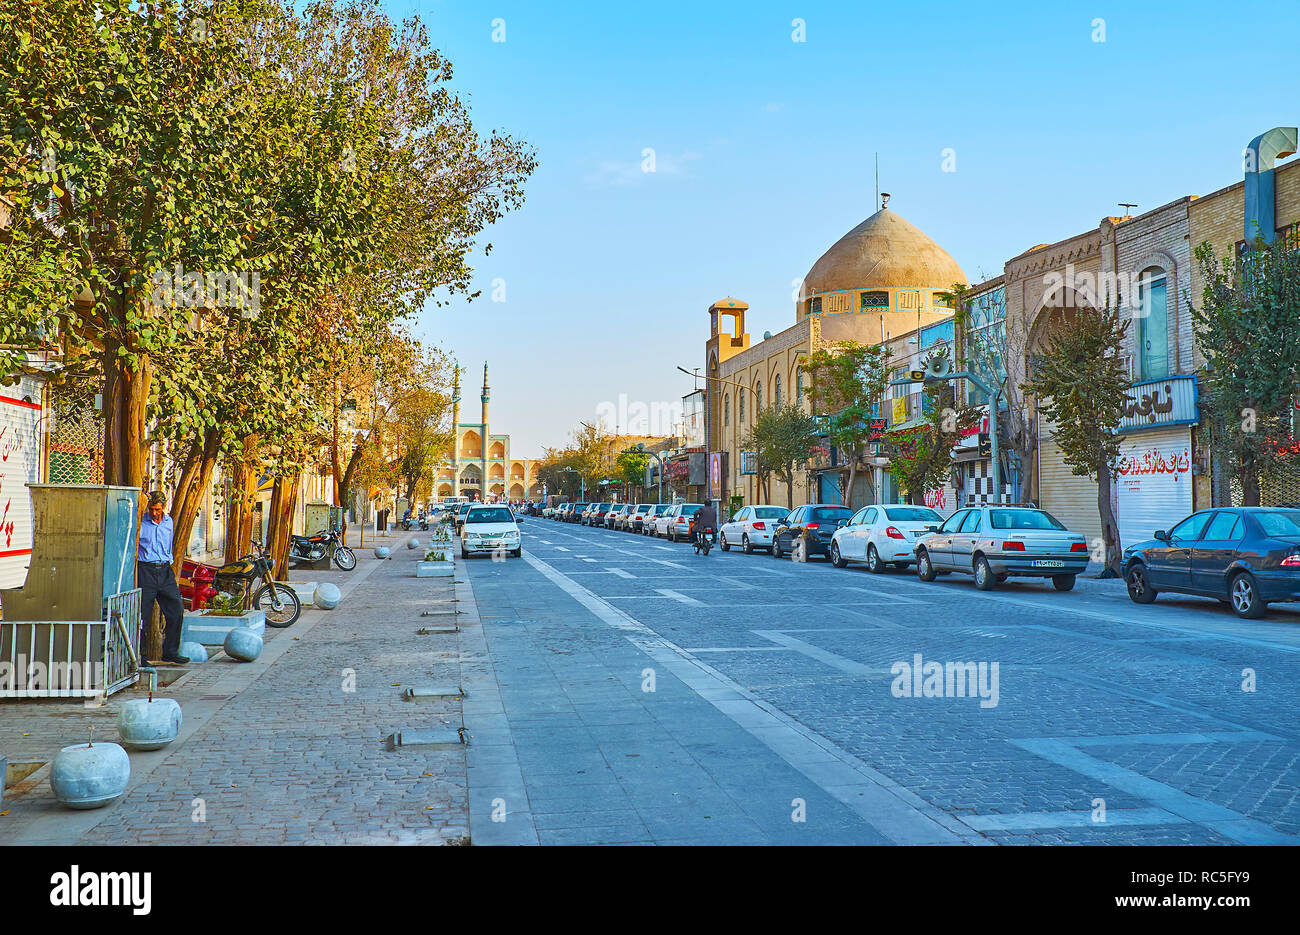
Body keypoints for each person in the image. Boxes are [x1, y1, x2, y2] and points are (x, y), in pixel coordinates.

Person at [138, 491, 188, 665]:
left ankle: (170, 652)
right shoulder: (141, 523)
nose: (154, 513)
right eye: (151, 509)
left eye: (157, 509)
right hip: (146, 571)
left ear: (164, 507)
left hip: (165, 571)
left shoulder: (169, 522)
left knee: (176, 610)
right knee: (142, 616)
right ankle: (141, 656)